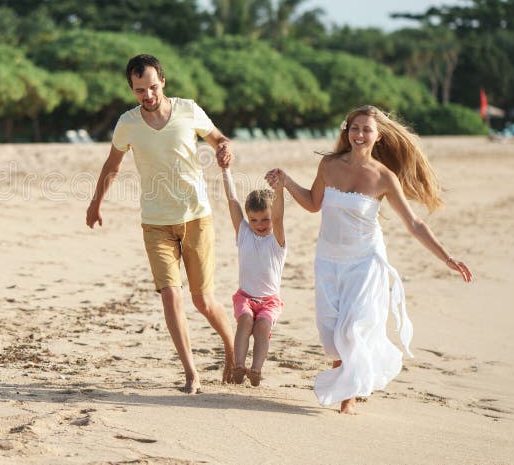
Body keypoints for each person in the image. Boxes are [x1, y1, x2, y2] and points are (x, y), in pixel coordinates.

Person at [265, 105, 472, 414]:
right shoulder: (329, 165)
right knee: (331, 336)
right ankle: (345, 384)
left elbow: (414, 224)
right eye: (354, 128)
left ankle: (347, 401)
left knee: (351, 332)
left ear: (378, 136)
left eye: (366, 130)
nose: (359, 134)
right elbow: (312, 203)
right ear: (347, 131)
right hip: (328, 260)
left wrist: (447, 257)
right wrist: (286, 181)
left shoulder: (384, 177)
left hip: (364, 262)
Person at [86, 54, 236, 394]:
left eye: (152, 87)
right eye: (140, 90)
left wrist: (224, 150)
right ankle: (191, 373)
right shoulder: (128, 123)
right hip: (155, 223)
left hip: (196, 217)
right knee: (171, 296)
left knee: (203, 301)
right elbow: (112, 164)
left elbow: (219, 139)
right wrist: (95, 203)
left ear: (163, 82)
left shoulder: (188, 110)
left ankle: (231, 350)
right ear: (132, 89)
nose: (148, 95)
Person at [221, 167, 286, 387]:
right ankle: (239, 365)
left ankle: (256, 369)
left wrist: (279, 190)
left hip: (270, 300)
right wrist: (226, 170)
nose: (259, 225)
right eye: (254, 220)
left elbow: (278, 217)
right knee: (245, 322)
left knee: (262, 328)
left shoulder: (276, 241)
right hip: (246, 297)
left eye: (265, 219)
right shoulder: (244, 234)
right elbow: (232, 202)